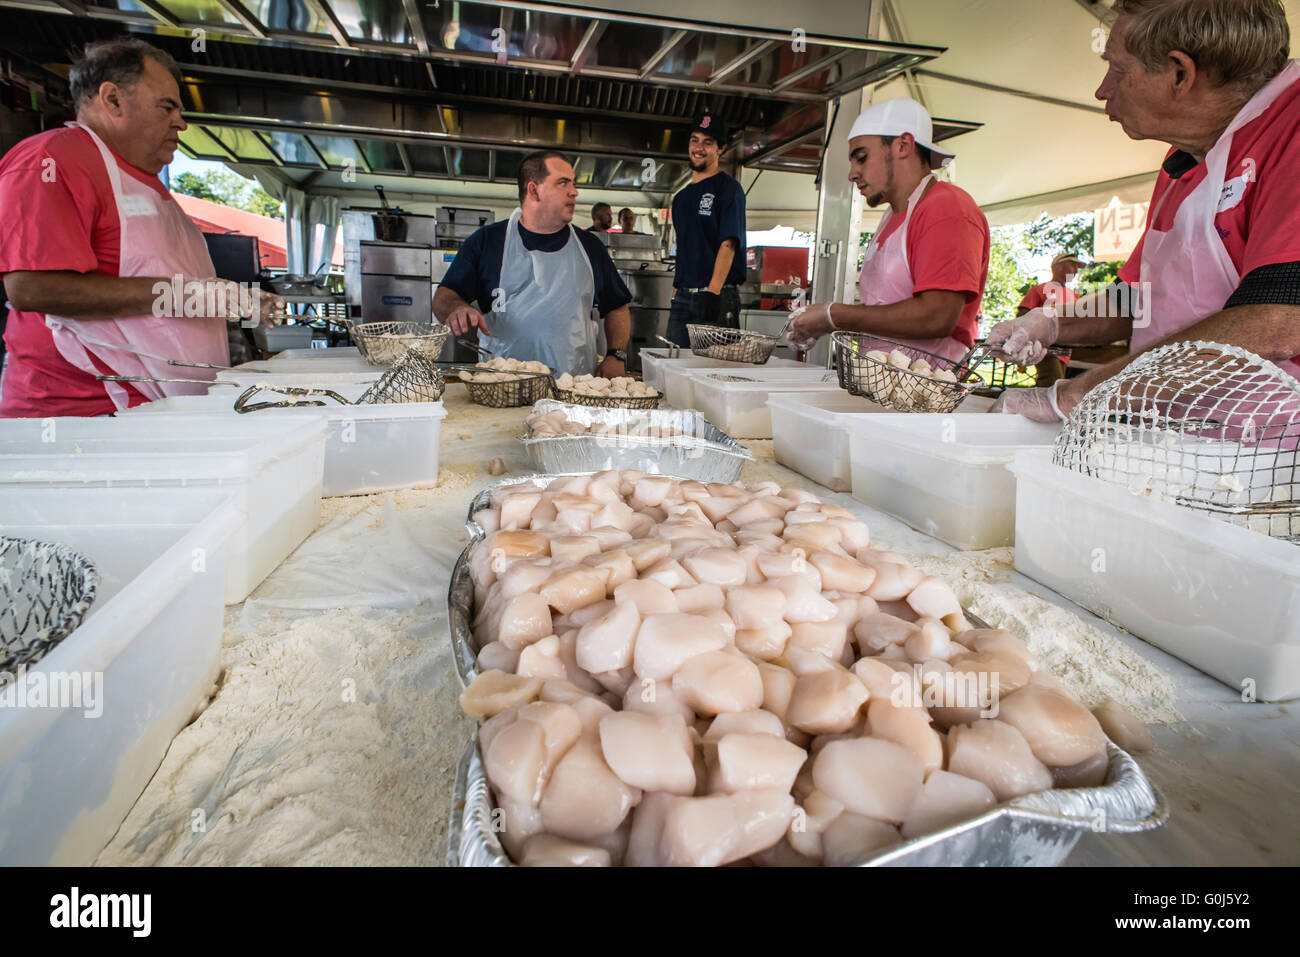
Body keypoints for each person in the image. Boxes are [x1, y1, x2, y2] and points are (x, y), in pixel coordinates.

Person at [988, 0, 1300, 422]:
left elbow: (1278, 321)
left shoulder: (1291, 128)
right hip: (1172, 444)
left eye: (1117, 69)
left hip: (1271, 459)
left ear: (1179, 73)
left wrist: (1073, 396)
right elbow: (1137, 296)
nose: (1102, 90)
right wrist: (1052, 321)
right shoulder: (1184, 158)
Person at [0, 37, 280, 418]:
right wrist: (183, 294)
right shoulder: (54, 158)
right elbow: (32, 287)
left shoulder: (145, 182)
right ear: (112, 99)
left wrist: (234, 300)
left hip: (160, 410)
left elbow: (157, 280)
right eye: (167, 107)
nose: (180, 122)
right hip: (88, 418)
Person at [786, 97, 990, 365]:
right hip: (882, 383)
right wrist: (823, 321)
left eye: (861, 157)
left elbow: (936, 316)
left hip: (927, 389)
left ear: (903, 145)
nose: (852, 174)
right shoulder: (891, 216)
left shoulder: (947, 208)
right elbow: (885, 310)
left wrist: (833, 315)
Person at [435, 149, 632, 378]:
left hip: (572, 387)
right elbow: (443, 297)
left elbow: (617, 306)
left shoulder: (590, 247)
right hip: (501, 386)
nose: (574, 192)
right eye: (563, 183)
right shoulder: (487, 242)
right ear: (533, 190)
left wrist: (616, 355)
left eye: (573, 183)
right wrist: (457, 308)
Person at [665, 113, 746, 347]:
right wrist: (675, 292)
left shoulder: (729, 189)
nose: (699, 148)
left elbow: (729, 243)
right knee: (672, 369)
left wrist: (713, 292)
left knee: (714, 372)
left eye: (707, 142)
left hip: (717, 296)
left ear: (721, 148)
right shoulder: (680, 199)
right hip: (683, 298)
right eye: (695, 140)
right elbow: (686, 247)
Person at [1016, 252, 1085, 386]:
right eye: (1073, 265)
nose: (1076, 271)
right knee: (1053, 386)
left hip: (1065, 351)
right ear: (1058, 266)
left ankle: (1031, 404)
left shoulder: (1074, 295)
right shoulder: (1039, 290)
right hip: (1044, 349)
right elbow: (1023, 315)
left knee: (1053, 387)